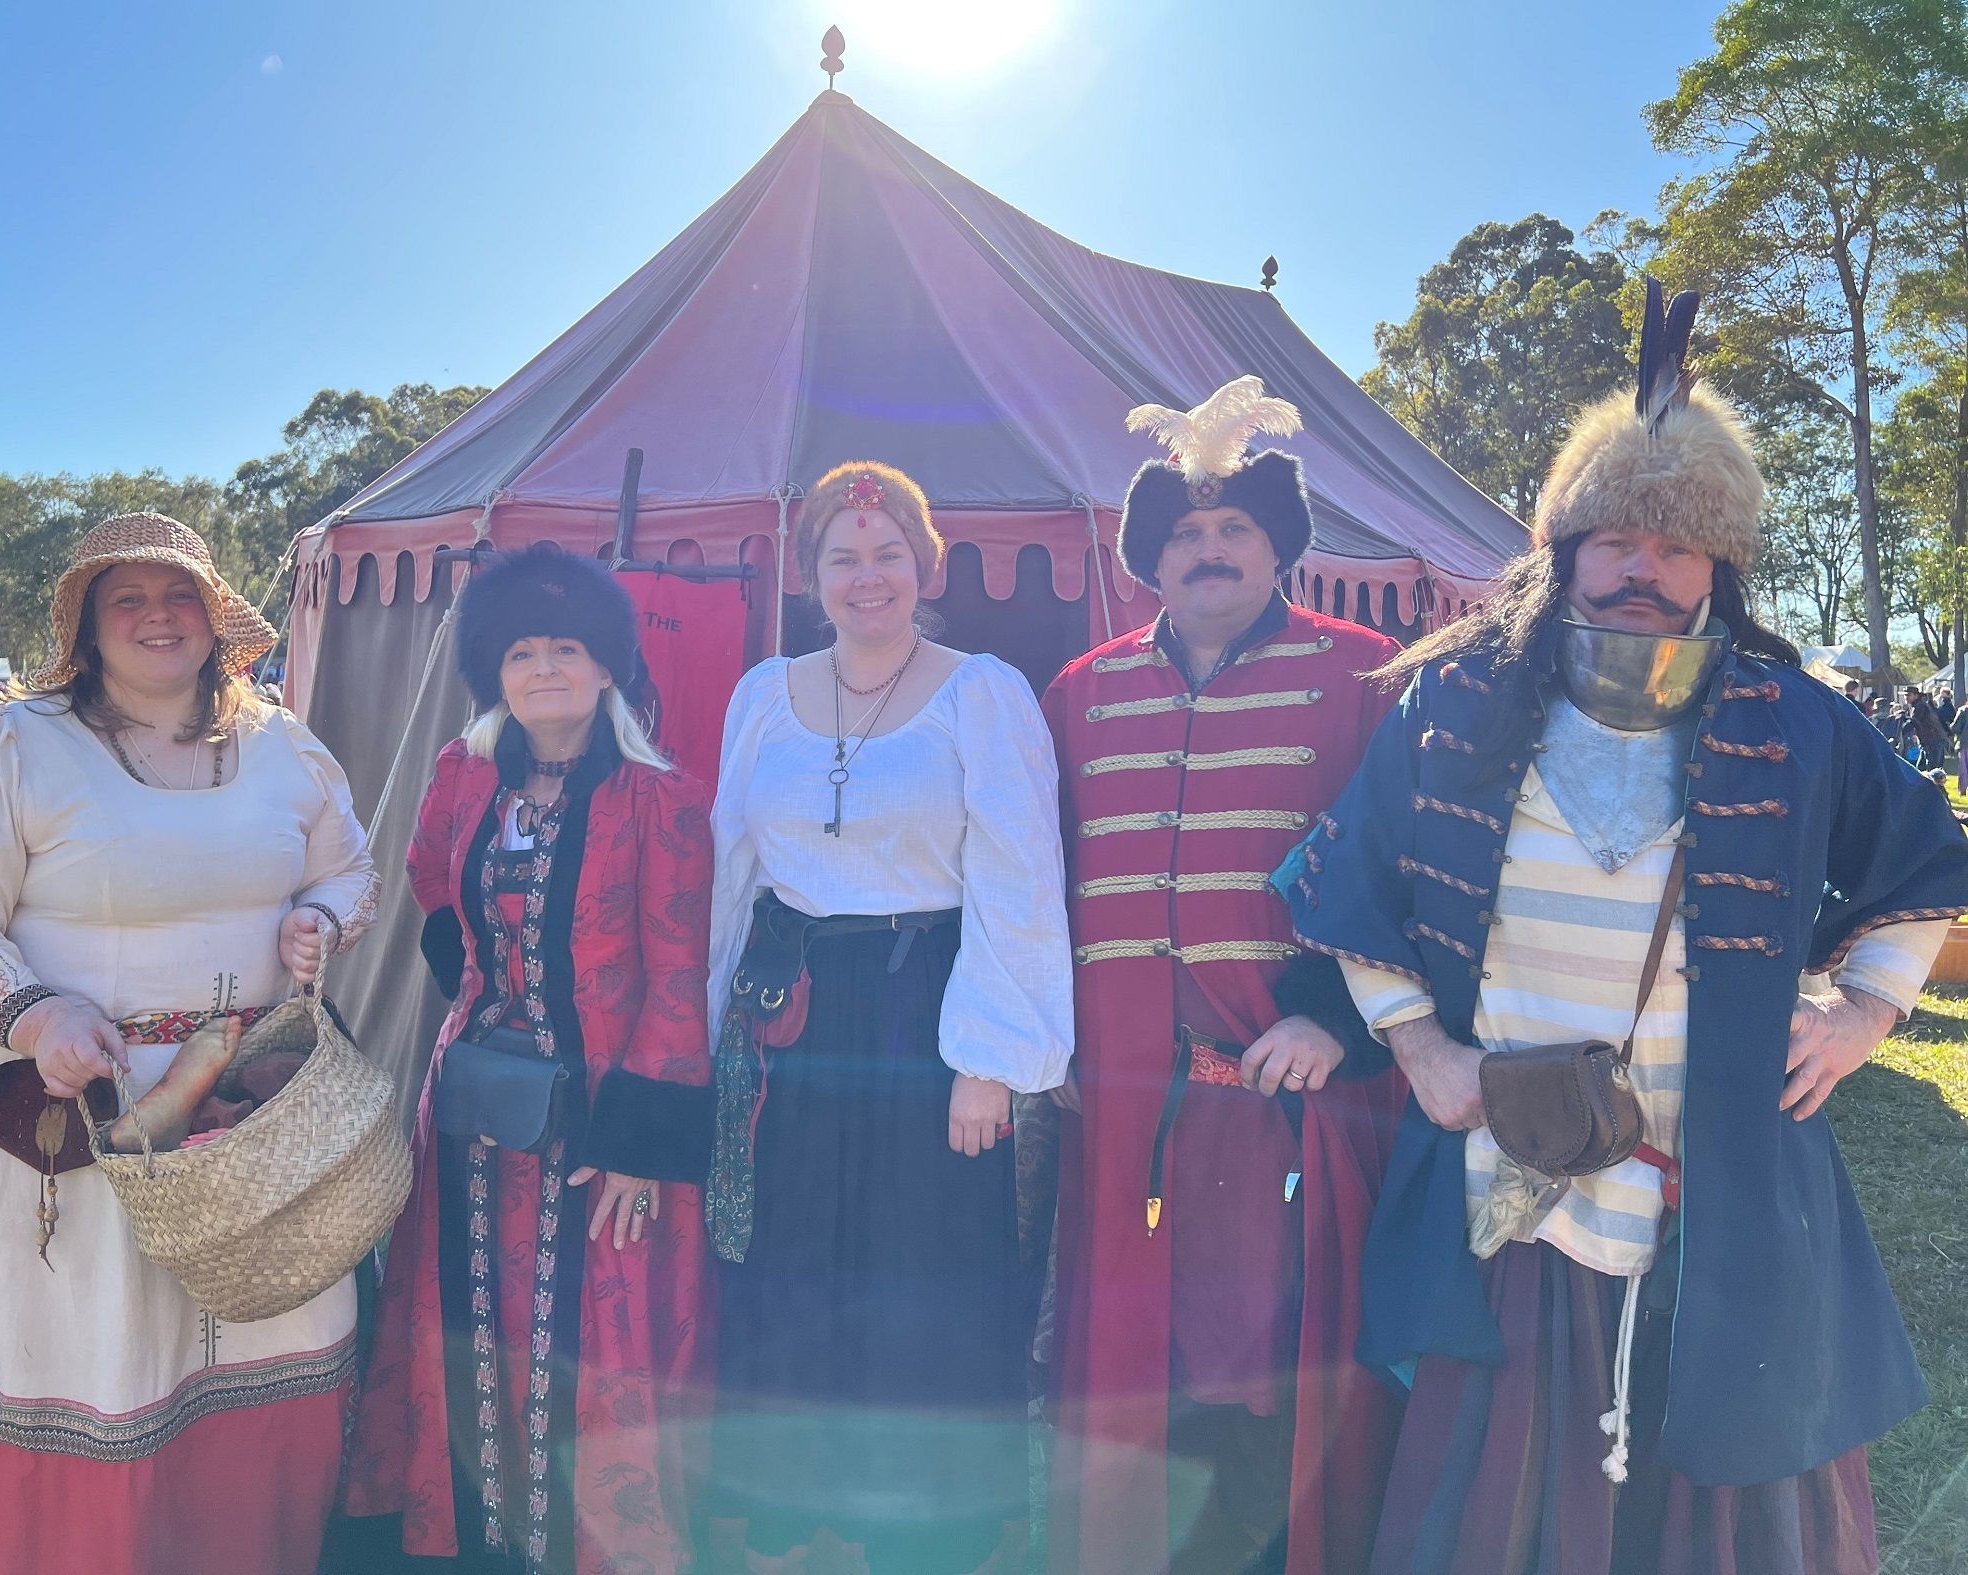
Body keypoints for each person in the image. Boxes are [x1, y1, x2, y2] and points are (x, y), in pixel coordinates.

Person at [1294, 285, 1968, 1574]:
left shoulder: (1801, 721)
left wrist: (1867, 1012)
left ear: (1720, 564)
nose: (1640, 567)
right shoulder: (1454, 703)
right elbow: (1349, 881)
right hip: (1515, 1185)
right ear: (1563, 548)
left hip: (1723, 1193)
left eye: (1675, 543)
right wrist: (1423, 1052)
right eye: (1612, 537)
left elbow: (1926, 862)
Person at [0, 512, 380, 1575]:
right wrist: (33, 1013)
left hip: (249, 1110)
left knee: (258, 1329)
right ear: (89, 627)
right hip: (75, 1110)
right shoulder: (12, 740)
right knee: (97, 1345)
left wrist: (321, 920)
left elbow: (350, 868)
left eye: (178, 594)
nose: (158, 616)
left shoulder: (284, 740)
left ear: (215, 616)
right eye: (126, 599)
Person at [1041, 379, 1407, 1575]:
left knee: (1280, 1381)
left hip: (1287, 1101)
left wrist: (1340, 1022)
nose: (1209, 550)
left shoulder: (1368, 677)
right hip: (1124, 1107)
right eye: (1187, 534)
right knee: (1137, 1364)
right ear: (1151, 558)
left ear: (1279, 548)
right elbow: (1025, 884)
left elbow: (1425, 871)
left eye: (1235, 529)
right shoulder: (1079, 693)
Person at [705, 462, 1074, 1575]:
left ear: (927, 567)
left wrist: (993, 1062)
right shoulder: (763, 692)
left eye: (888, 555)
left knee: (923, 1267)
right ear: (811, 575)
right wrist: (708, 1024)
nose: (868, 577)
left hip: (928, 1012)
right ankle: (803, 1509)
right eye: (843, 557)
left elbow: (1019, 877)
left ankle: (923, 1523)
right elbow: (732, 866)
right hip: (792, 1012)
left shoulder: (982, 692)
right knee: (795, 1255)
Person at [339, 546, 714, 1574]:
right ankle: (473, 1524)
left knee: (592, 1334)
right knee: (466, 1316)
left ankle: (591, 1544)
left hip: (604, 1127)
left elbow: (678, 983)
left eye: (565, 648)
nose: (543, 668)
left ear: (606, 668)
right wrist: (489, 997)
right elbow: (429, 885)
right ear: (493, 674)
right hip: (475, 1110)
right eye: (519, 652)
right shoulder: (465, 778)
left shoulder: (662, 801)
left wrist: (639, 1146)